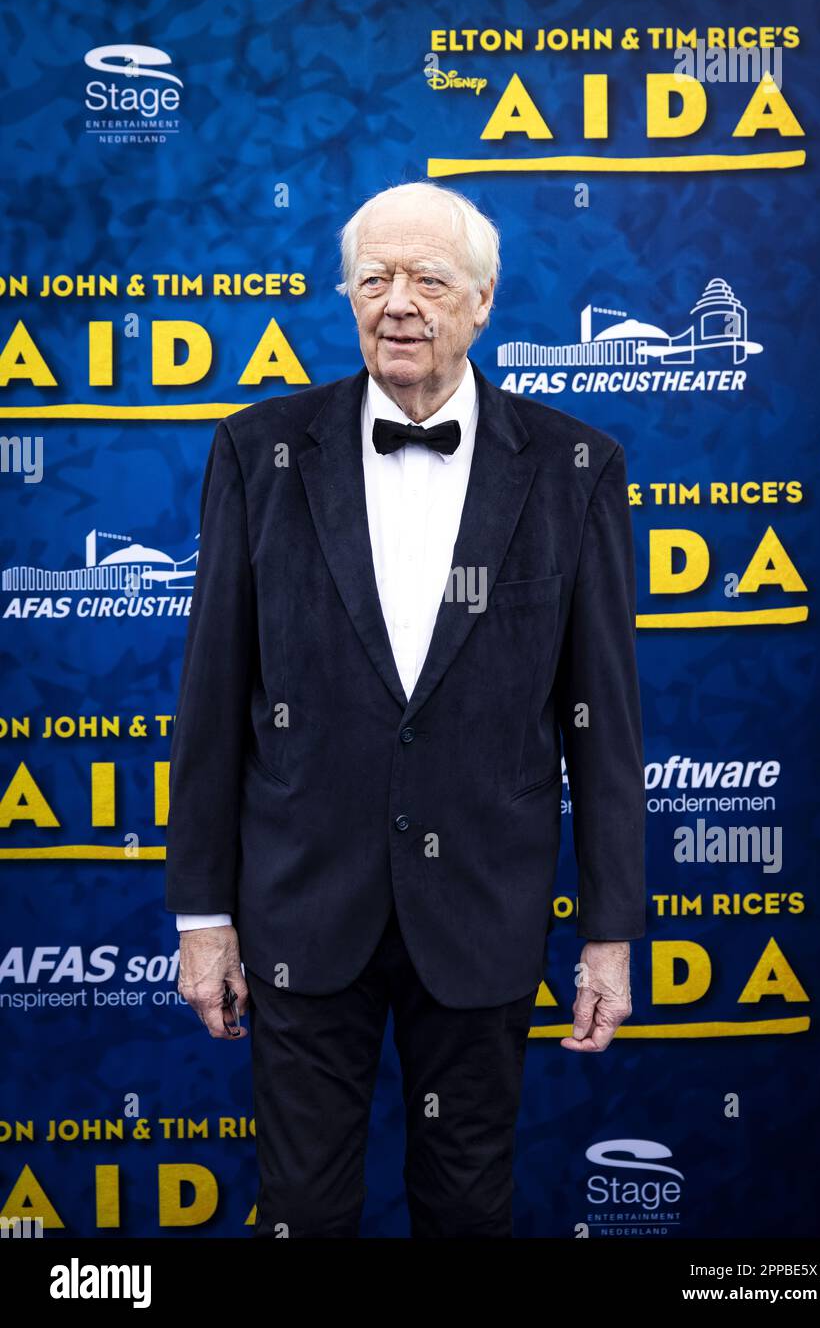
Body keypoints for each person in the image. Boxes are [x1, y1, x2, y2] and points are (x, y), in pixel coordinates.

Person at [165, 180, 646, 1238]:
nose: (399, 302)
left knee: (470, 1207)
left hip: (484, 905)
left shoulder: (576, 468)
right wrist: (204, 916)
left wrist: (610, 931)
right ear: (345, 298)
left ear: (482, 302)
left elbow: (602, 725)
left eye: (429, 279)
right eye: (374, 277)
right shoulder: (259, 452)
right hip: (303, 907)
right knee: (300, 1206)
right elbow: (208, 701)